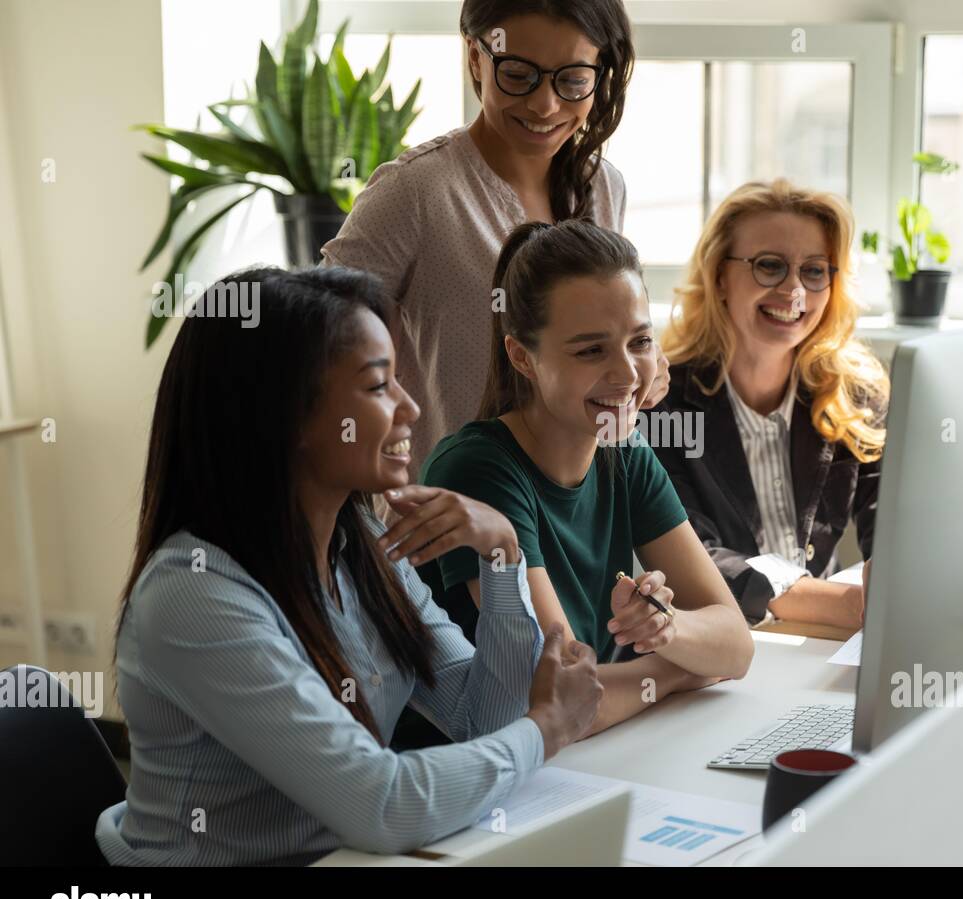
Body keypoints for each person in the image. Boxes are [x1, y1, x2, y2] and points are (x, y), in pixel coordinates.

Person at [97, 266, 602, 865]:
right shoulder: (194, 595)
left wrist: (503, 555)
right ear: (286, 415)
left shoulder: (359, 540)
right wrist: (547, 729)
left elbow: (480, 719)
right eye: (377, 386)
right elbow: (381, 806)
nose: (410, 408)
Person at [413, 220, 753, 736]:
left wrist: (669, 625)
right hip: (485, 776)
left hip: (596, 756)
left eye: (639, 341)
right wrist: (681, 668)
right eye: (591, 350)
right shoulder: (477, 469)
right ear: (522, 357)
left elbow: (736, 644)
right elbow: (564, 698)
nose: (627, 374)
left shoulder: (625, 451)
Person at [322, 0, 668, 471]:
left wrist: (643, 363)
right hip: (448, 512)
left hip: (578, 508)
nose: (545, 104)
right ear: (474, 56)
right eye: (518, 74)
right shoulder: (416, 191)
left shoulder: (605, 187)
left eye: (572, 79)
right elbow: (316, 337)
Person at [653, 179, 889, 629]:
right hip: (721, 641)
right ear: (720, 277)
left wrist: (899, 574)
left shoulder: (852, 393)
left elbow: (893, 521)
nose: (795, 291)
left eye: (815, 270)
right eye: (769, 266)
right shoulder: (662, 404)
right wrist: (844, 604)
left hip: (821, 638)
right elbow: (688, 557)